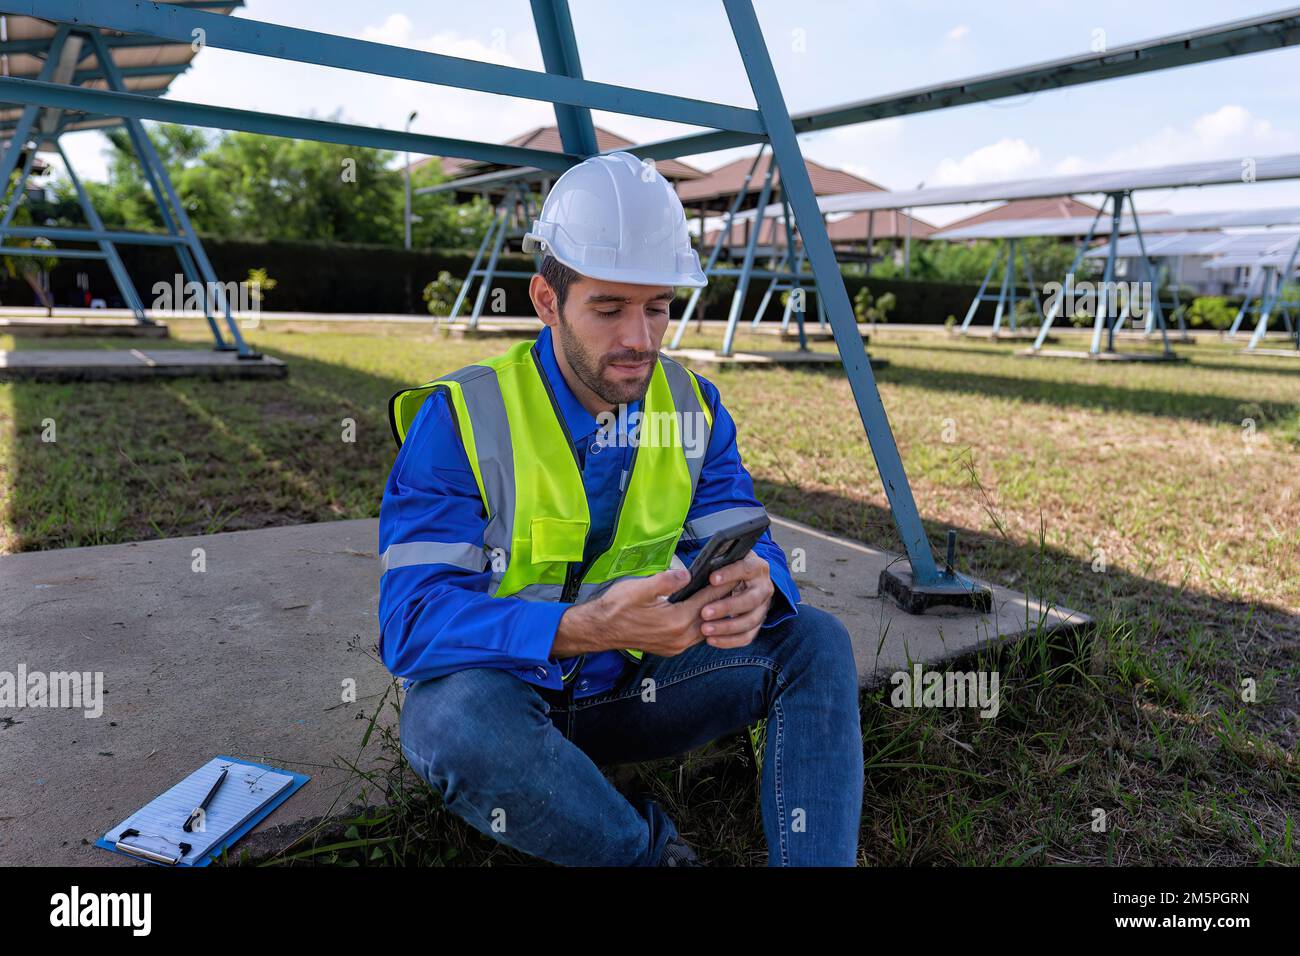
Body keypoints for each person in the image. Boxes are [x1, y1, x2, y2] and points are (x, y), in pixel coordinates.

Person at [378, 151, 863, 866]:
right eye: (608, 308)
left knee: (815, 641)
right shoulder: (463, 416)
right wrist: (577, 628)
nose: (639, 338)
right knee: (454, 722)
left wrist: (761, 585)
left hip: (642, 691)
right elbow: (413, 623)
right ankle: (653, 859)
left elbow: (738, 532)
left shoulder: (692, 407)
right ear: (548, 301)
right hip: (509, 699)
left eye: (658, 307)